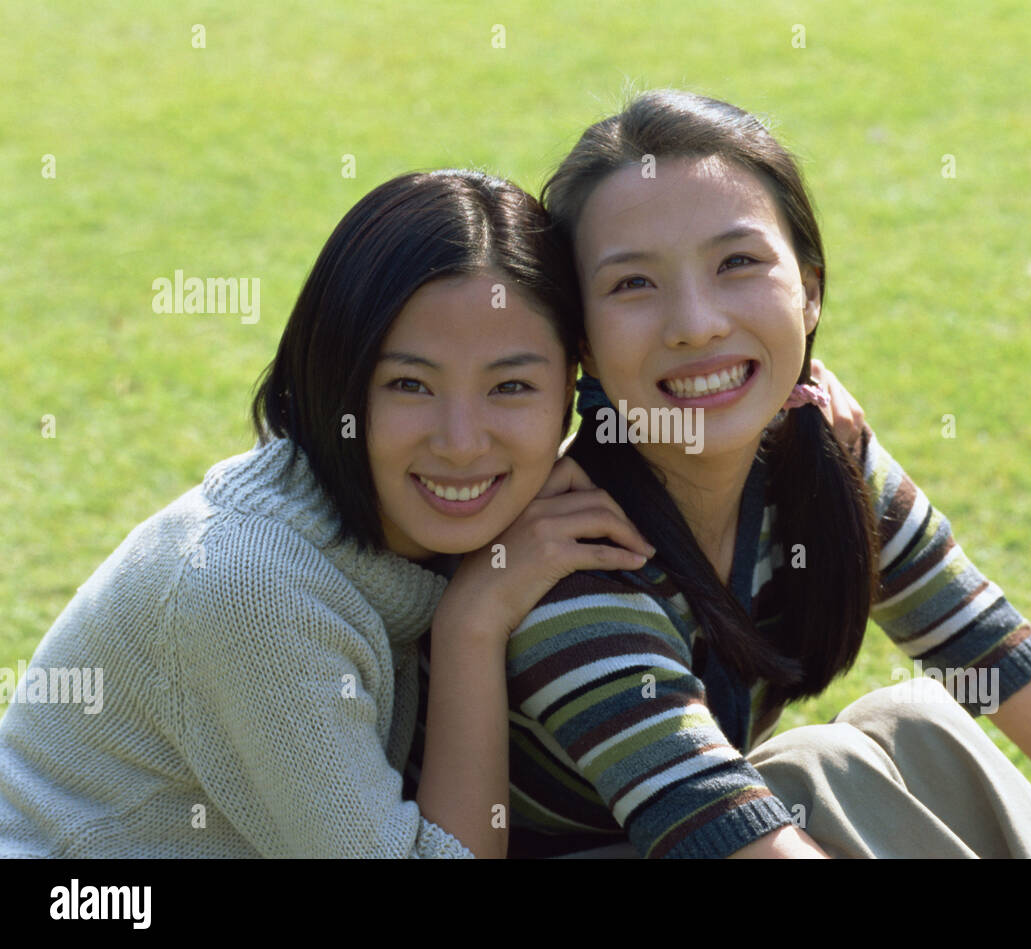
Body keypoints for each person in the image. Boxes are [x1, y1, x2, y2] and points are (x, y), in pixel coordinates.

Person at [466, 90, 1031, 858]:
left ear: (811, 291)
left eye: (738, 264)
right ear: (580, 341)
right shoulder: (571, 560)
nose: (696, 324)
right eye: (634, 283)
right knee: (815, 773)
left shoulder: (823, 453)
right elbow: (739, 841)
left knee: (918, 724)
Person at [0, 169, 654, 859]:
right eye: (408, 383)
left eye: (511, 385)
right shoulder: (251, 589)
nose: (461, 441)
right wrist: (472, 621)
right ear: (333, 377)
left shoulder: (497, 522)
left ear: (570, 391)